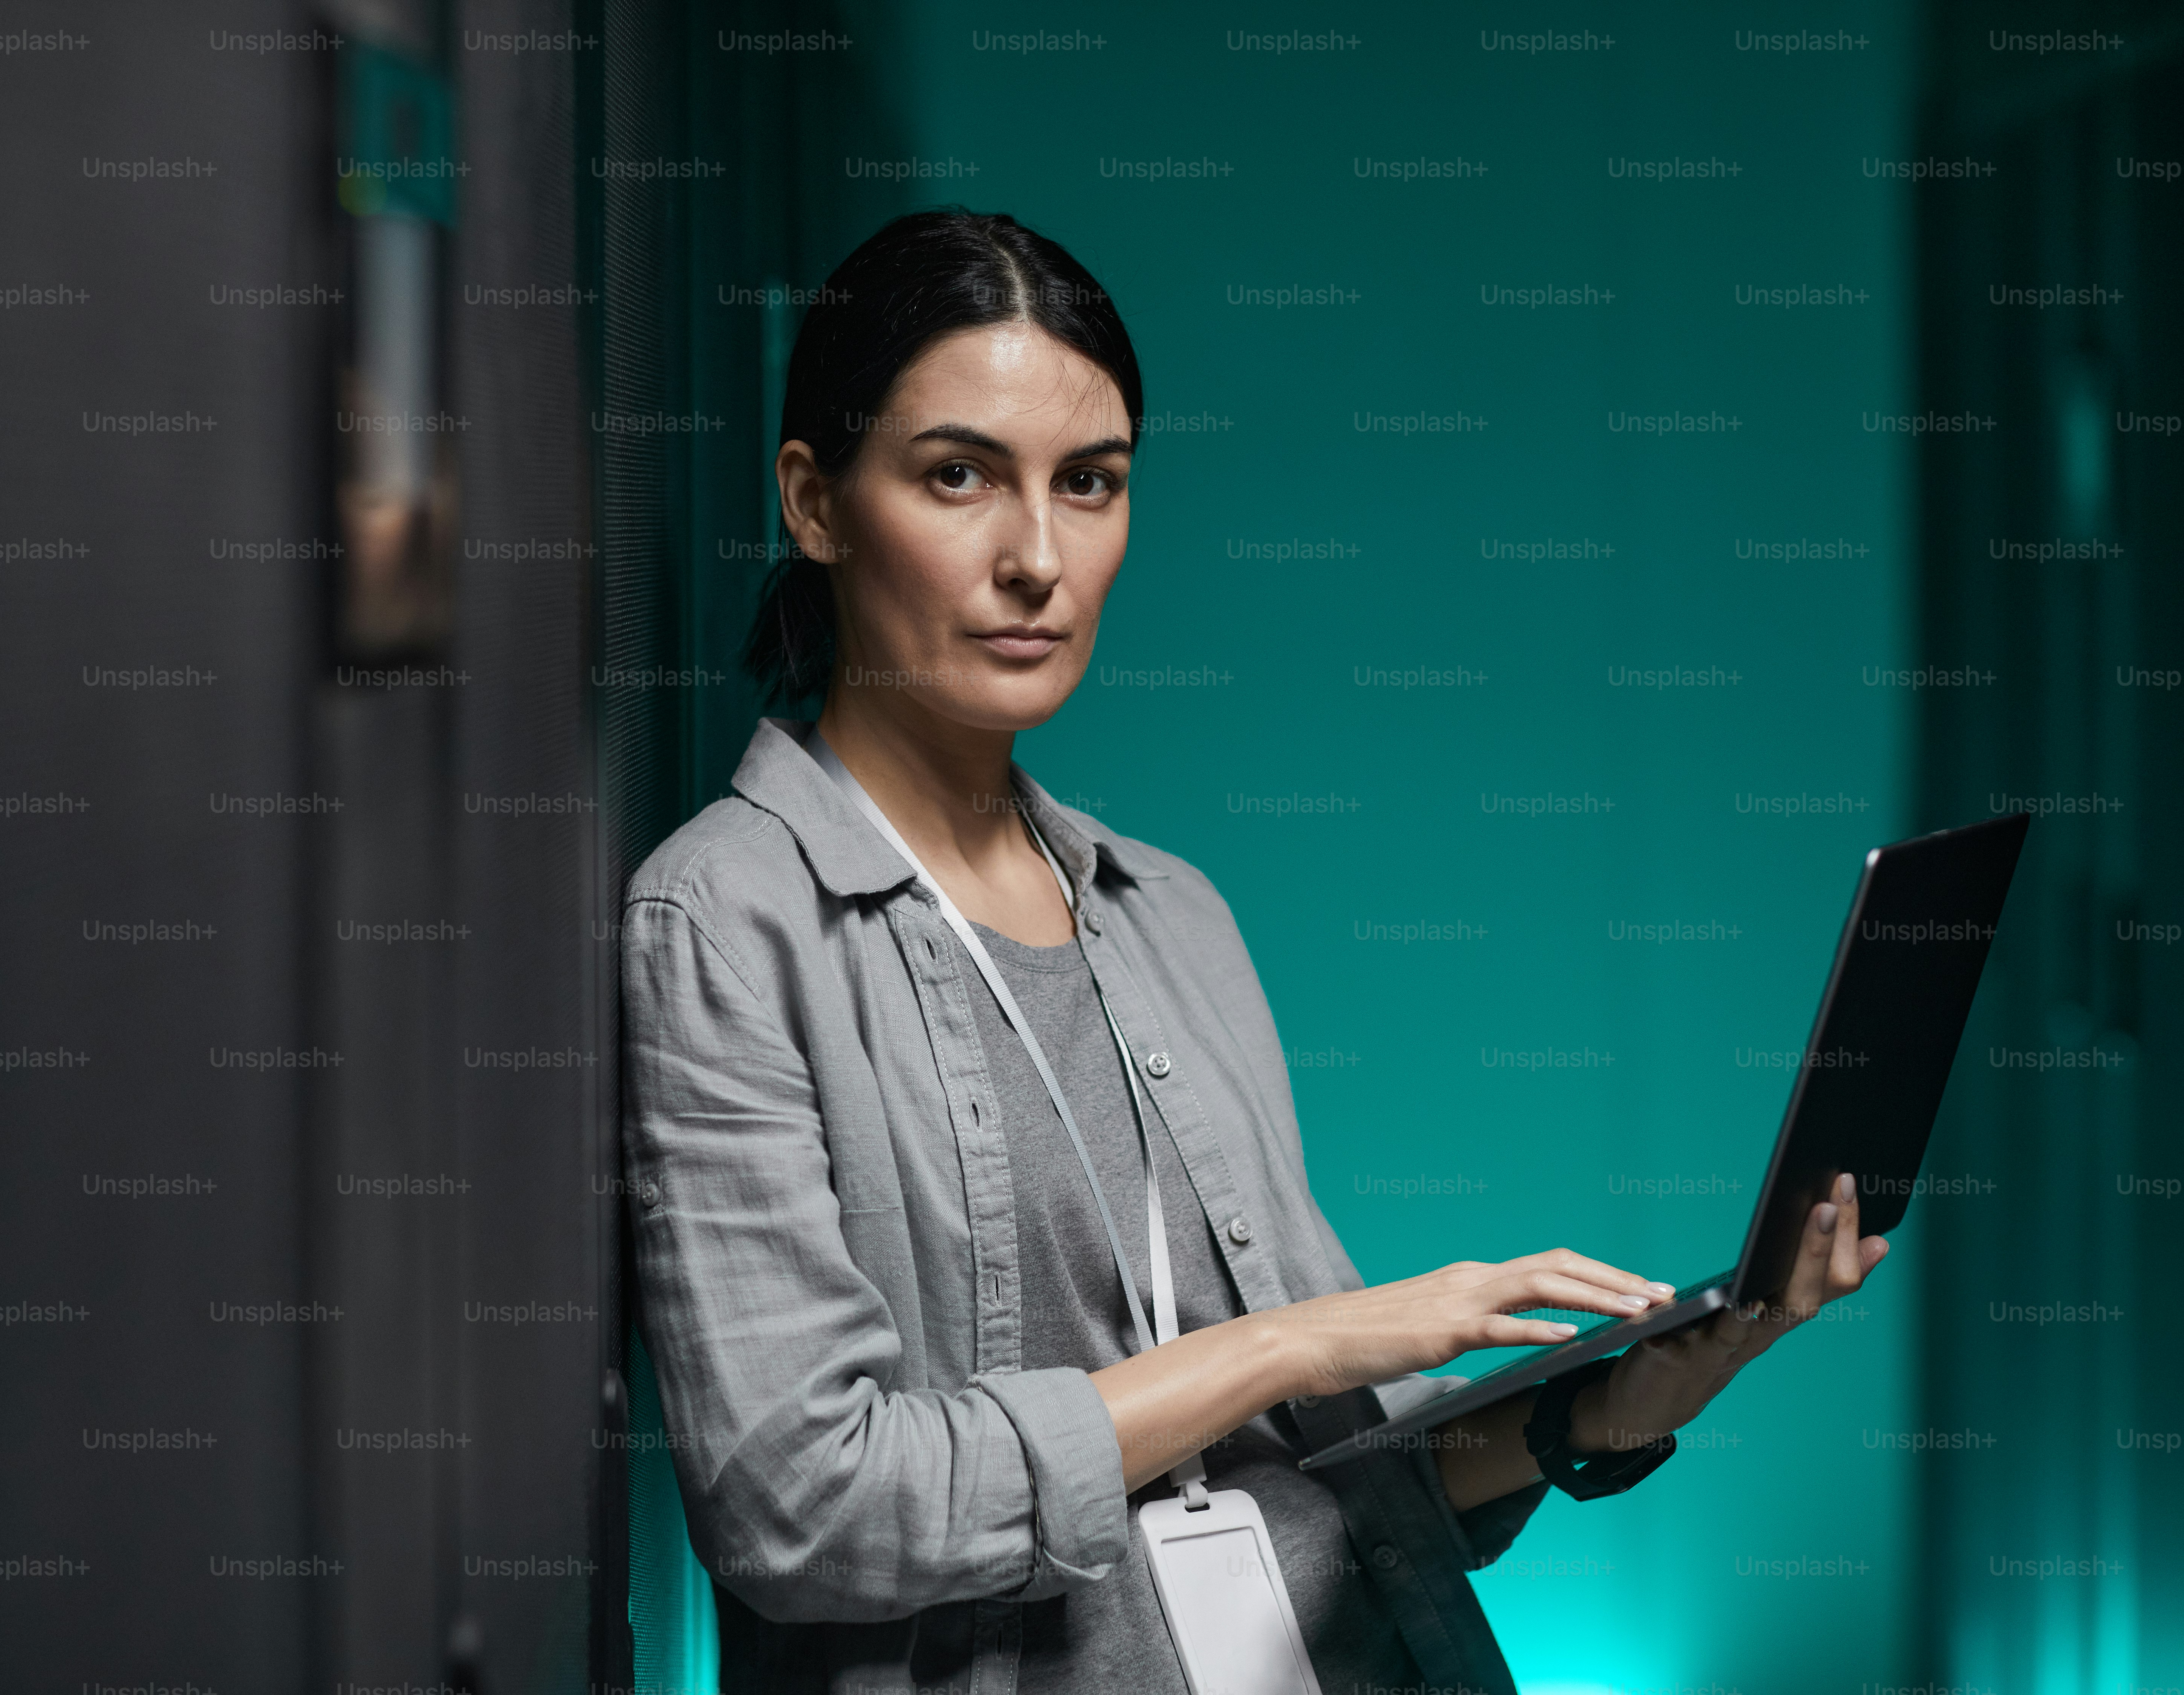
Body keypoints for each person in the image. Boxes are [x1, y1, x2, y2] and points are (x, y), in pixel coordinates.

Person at [619, 210, 1885, 1694]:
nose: (1037, 558)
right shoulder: (724, 921)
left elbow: (1344, 1502)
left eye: (1090, 485)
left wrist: (1612, 1405)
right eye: (959, 476)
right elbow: (805, 1507)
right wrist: (1294, 1345)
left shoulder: (1171, 913)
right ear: (817, 503)